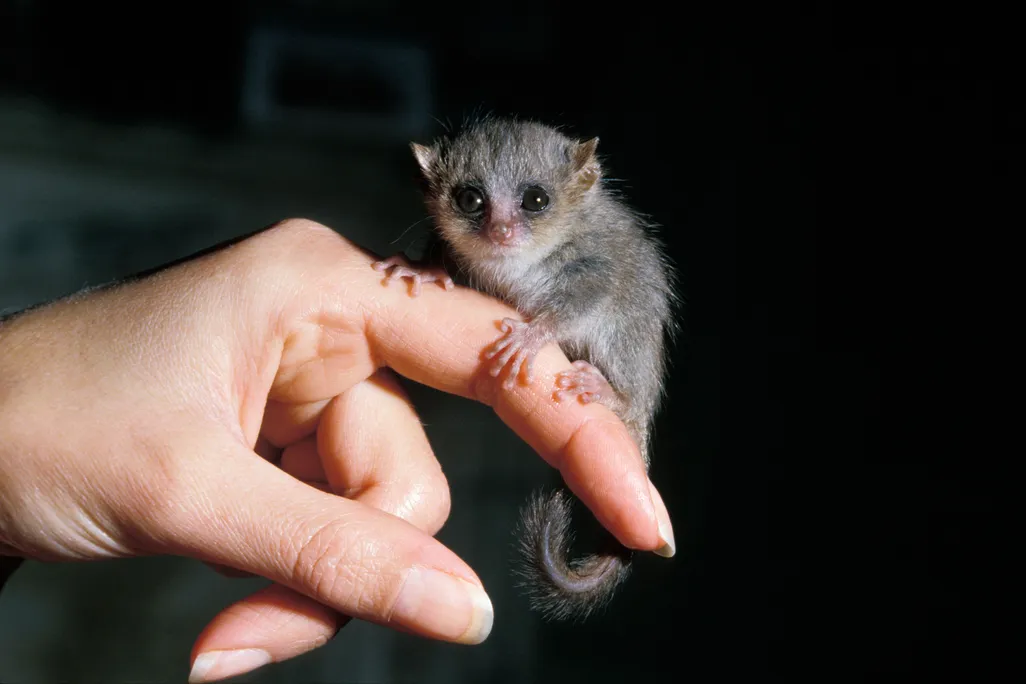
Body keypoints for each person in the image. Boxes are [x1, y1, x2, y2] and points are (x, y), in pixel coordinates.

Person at [0, 219, 674, 682]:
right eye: (472, 204)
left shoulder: (593, 250)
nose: (500, 229)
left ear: (581, 182)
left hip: (603, 351)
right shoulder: (470, 244)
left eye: (529, 207)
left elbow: (592, 288)